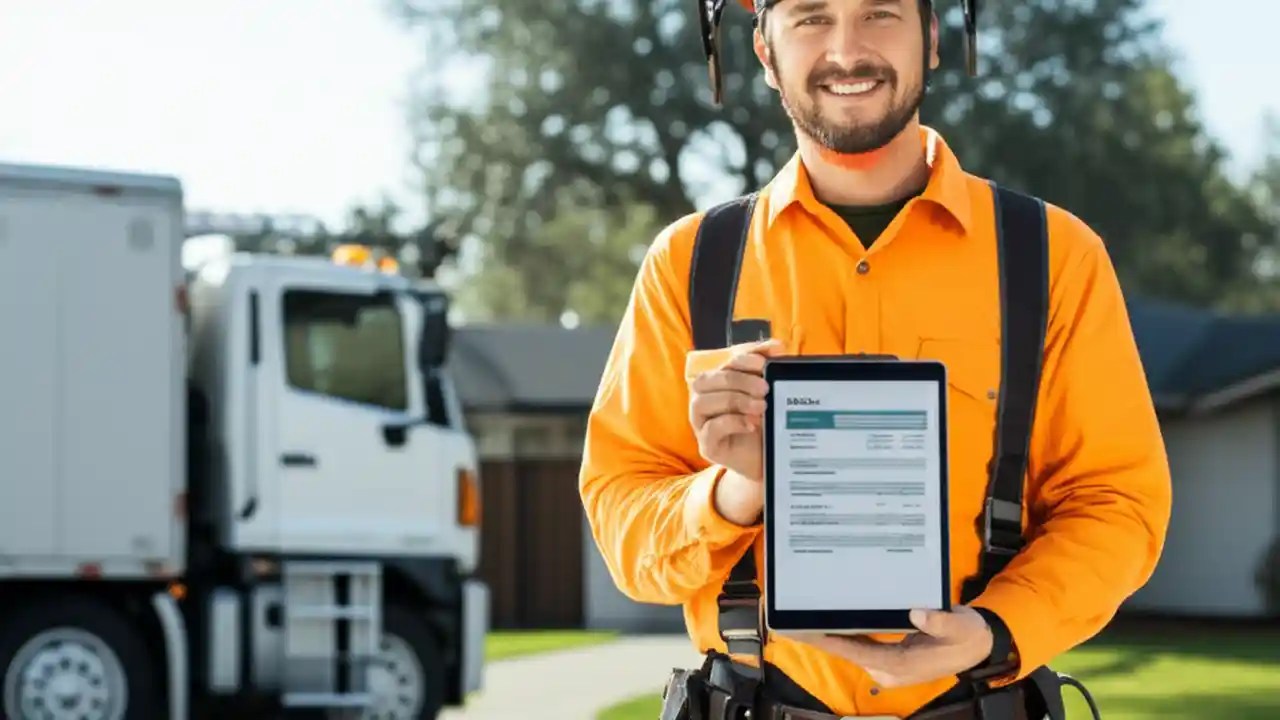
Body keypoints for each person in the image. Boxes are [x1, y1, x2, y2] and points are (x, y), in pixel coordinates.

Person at [577, 0, 1173, 717]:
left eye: (880, 13)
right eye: (811, 17)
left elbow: (1118, 504)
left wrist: (996, 629)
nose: (847, 49)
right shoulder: (690, 264)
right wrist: (734, 490)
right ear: (765, 52)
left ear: (932, 40)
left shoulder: (1053, 258)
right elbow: (620, 512)